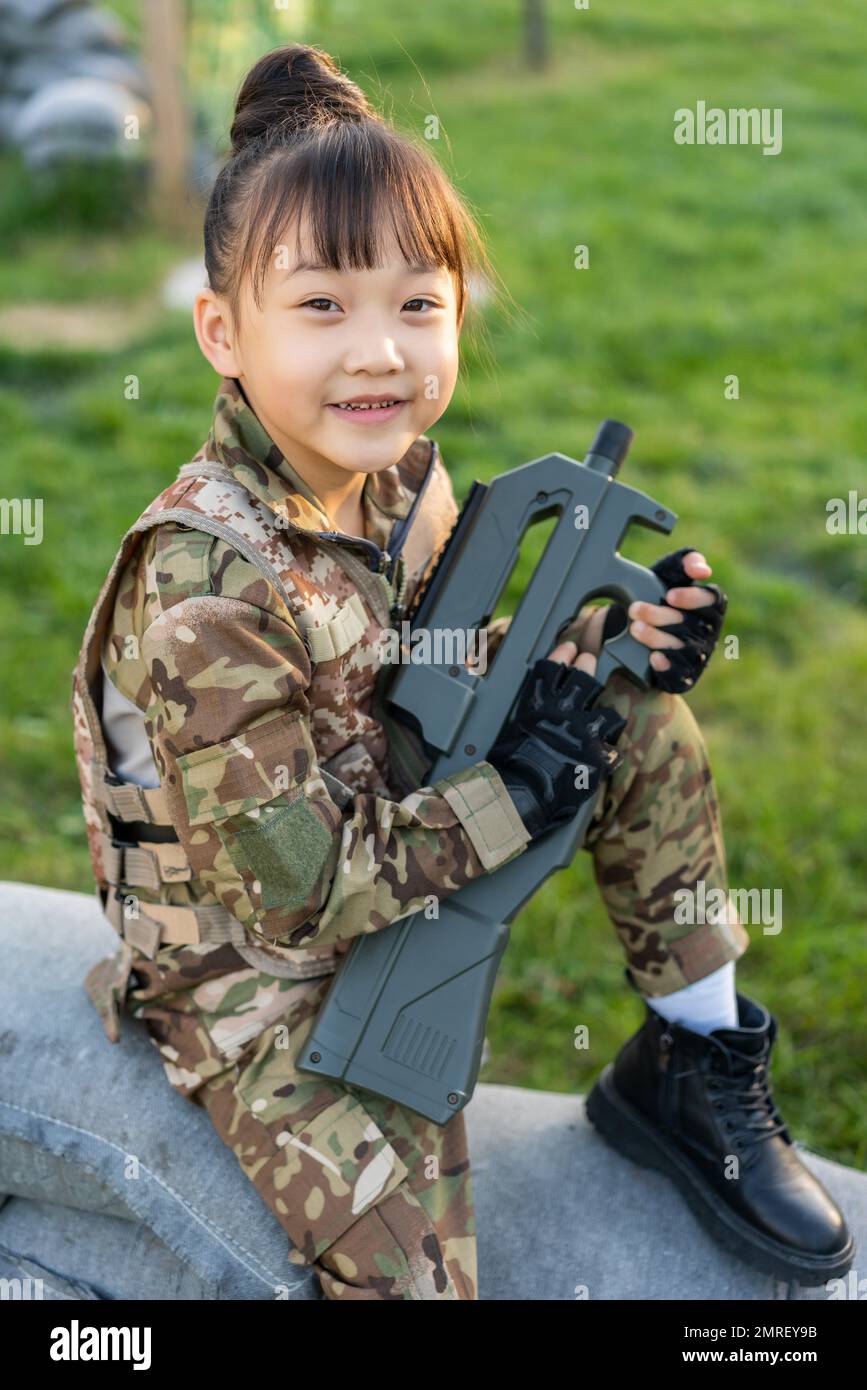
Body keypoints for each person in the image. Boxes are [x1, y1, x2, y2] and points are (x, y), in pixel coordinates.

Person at [72, 43, 852, 1300]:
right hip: (256, 976)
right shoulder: (207, 595)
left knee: (629, 718)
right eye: (322, 306)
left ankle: (687, 1062)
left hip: (399, 818)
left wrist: (611, 646)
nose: (379, 352)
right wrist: (510, 798)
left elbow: (444, 672)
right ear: (223, 332)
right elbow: (294, 900)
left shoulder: (395, 486)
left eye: (417, 303)